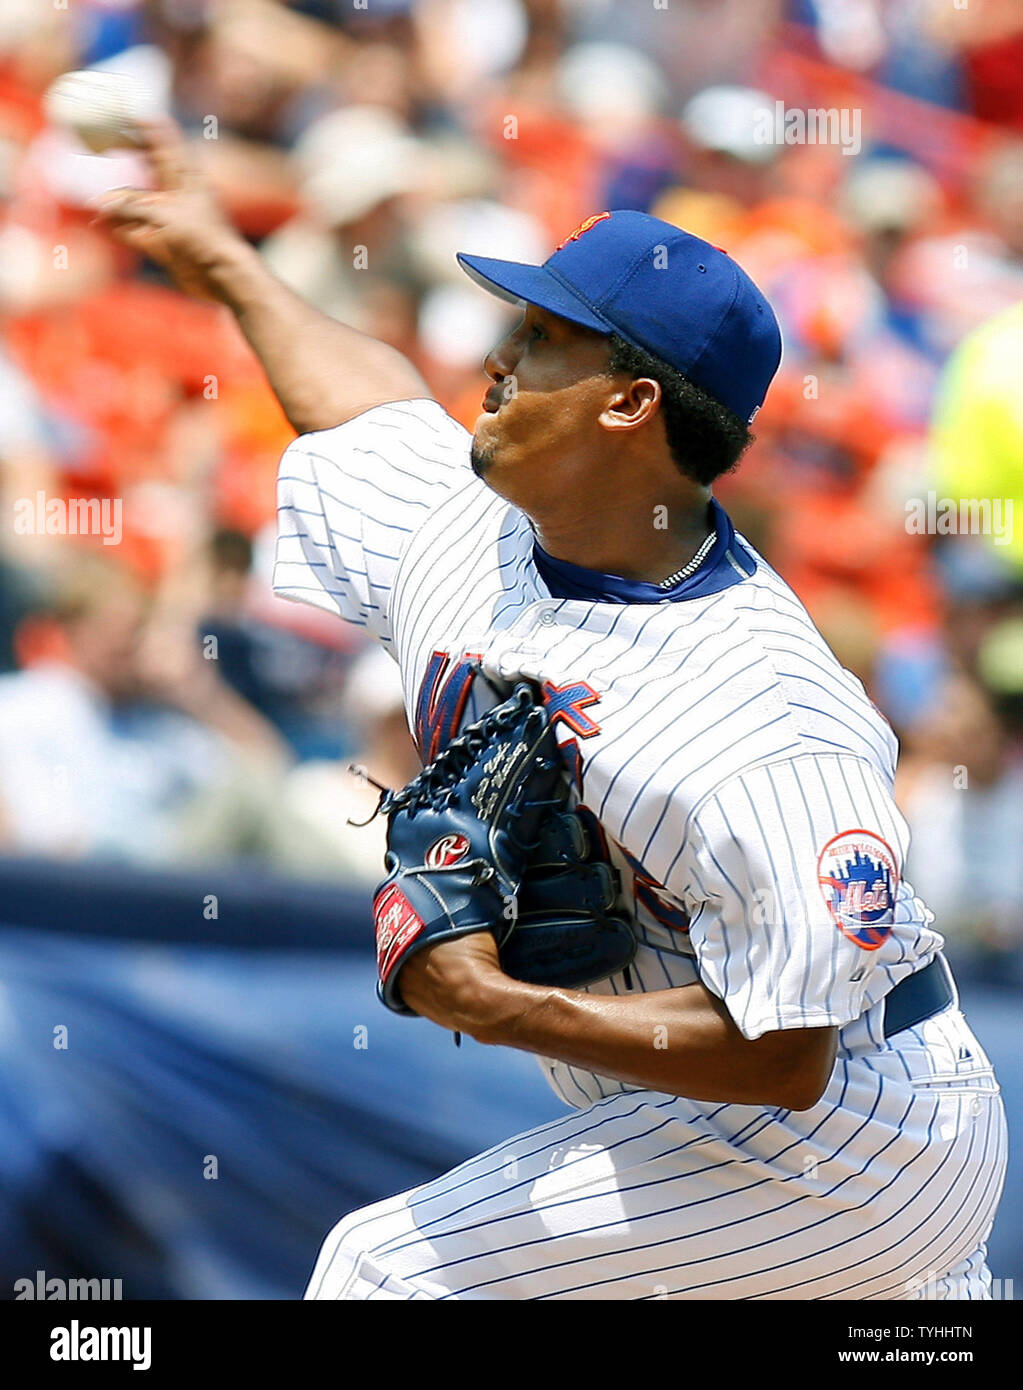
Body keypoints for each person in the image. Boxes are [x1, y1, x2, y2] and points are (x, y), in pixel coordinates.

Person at [97, 122, 1007, 1301]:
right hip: (722, 1113)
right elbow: (363, 402)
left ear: (629, 404)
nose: (497, 358)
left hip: (852, 1135)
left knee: (389, 1275)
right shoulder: (475, 536)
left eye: (539, 339)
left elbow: (787, 1052)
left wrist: (501, 1005)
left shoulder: (764, 714)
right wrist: (222, 256)